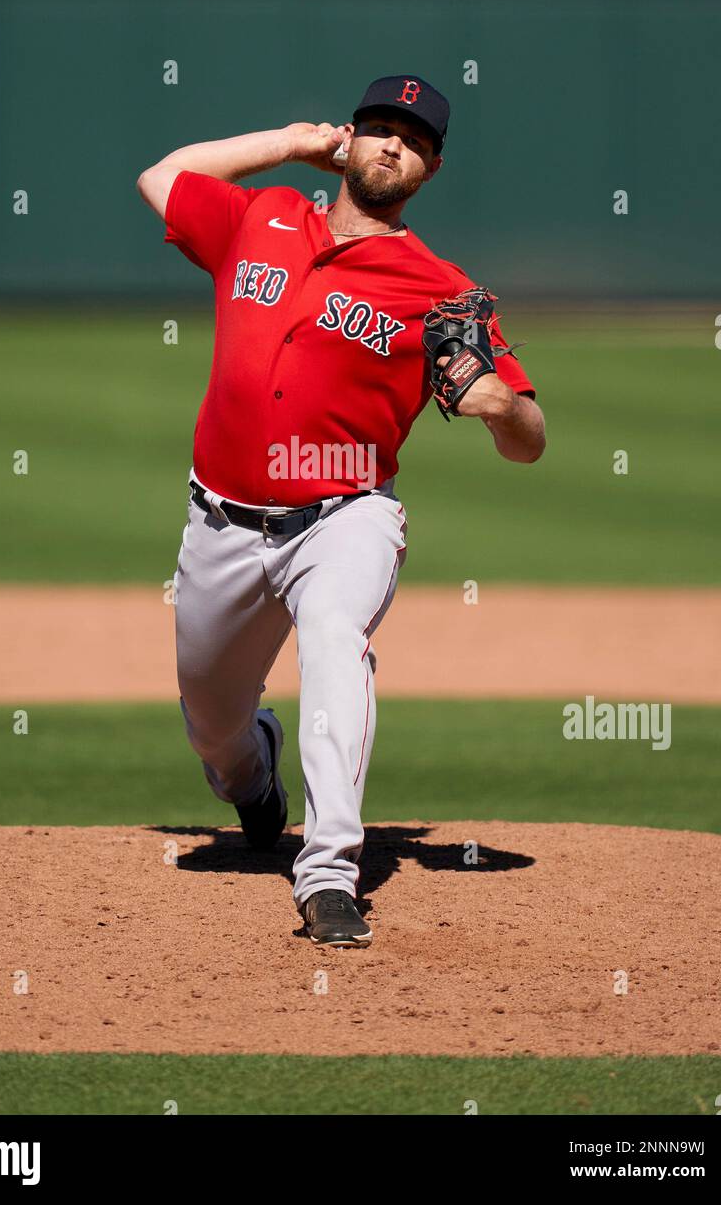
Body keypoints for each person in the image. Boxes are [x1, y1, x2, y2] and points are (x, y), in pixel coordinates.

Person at [137, 75, 546, 947]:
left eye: (415, 138)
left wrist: (503, 408)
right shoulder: (262, 218)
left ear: (431, 167)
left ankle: (328, 874)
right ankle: (254, 777)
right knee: (212, 724)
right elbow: (161, 178)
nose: (394, 144)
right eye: (380, 128)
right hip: (220, 521)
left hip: (344, 516)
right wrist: (287, 140)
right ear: (349, 140)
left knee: (334, 640)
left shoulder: (441, 288)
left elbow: (531, 438)